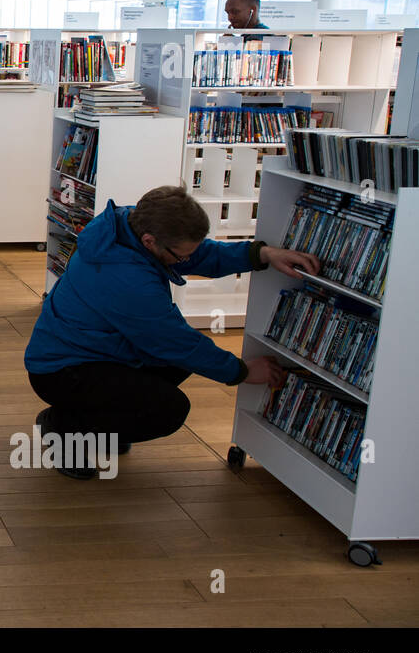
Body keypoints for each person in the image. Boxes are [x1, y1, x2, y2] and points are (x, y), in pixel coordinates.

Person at [24, 185, 316, 478]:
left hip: (99, 351)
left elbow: (200, 256)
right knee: (168, 411)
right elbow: (177, 342)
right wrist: (241, 372)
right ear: (151, 242)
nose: (185, 261)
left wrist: (262, 254)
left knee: (175, 365)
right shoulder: (126, 279)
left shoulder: (130, 226)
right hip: (61, 371)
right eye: (180, 256)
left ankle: (103, 419)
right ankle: (65, 426)